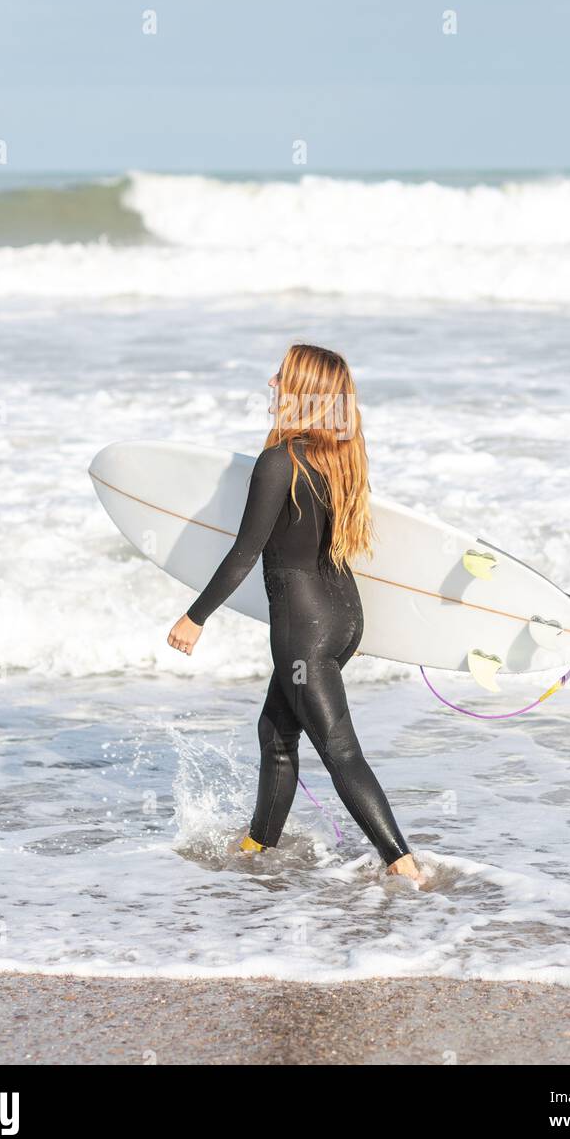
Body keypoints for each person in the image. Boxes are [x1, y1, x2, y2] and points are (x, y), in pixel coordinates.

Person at [168, 343, 421, 881]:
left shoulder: (279, 462)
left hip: (302, 630)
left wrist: (196, 617)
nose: (270, 384)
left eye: (280, 377)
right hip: (343, 620)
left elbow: (245, 551)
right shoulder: (344, 461)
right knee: (276, 733)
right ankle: (258, 848)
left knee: (339, 751)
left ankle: (403, 864)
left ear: (302, 390)